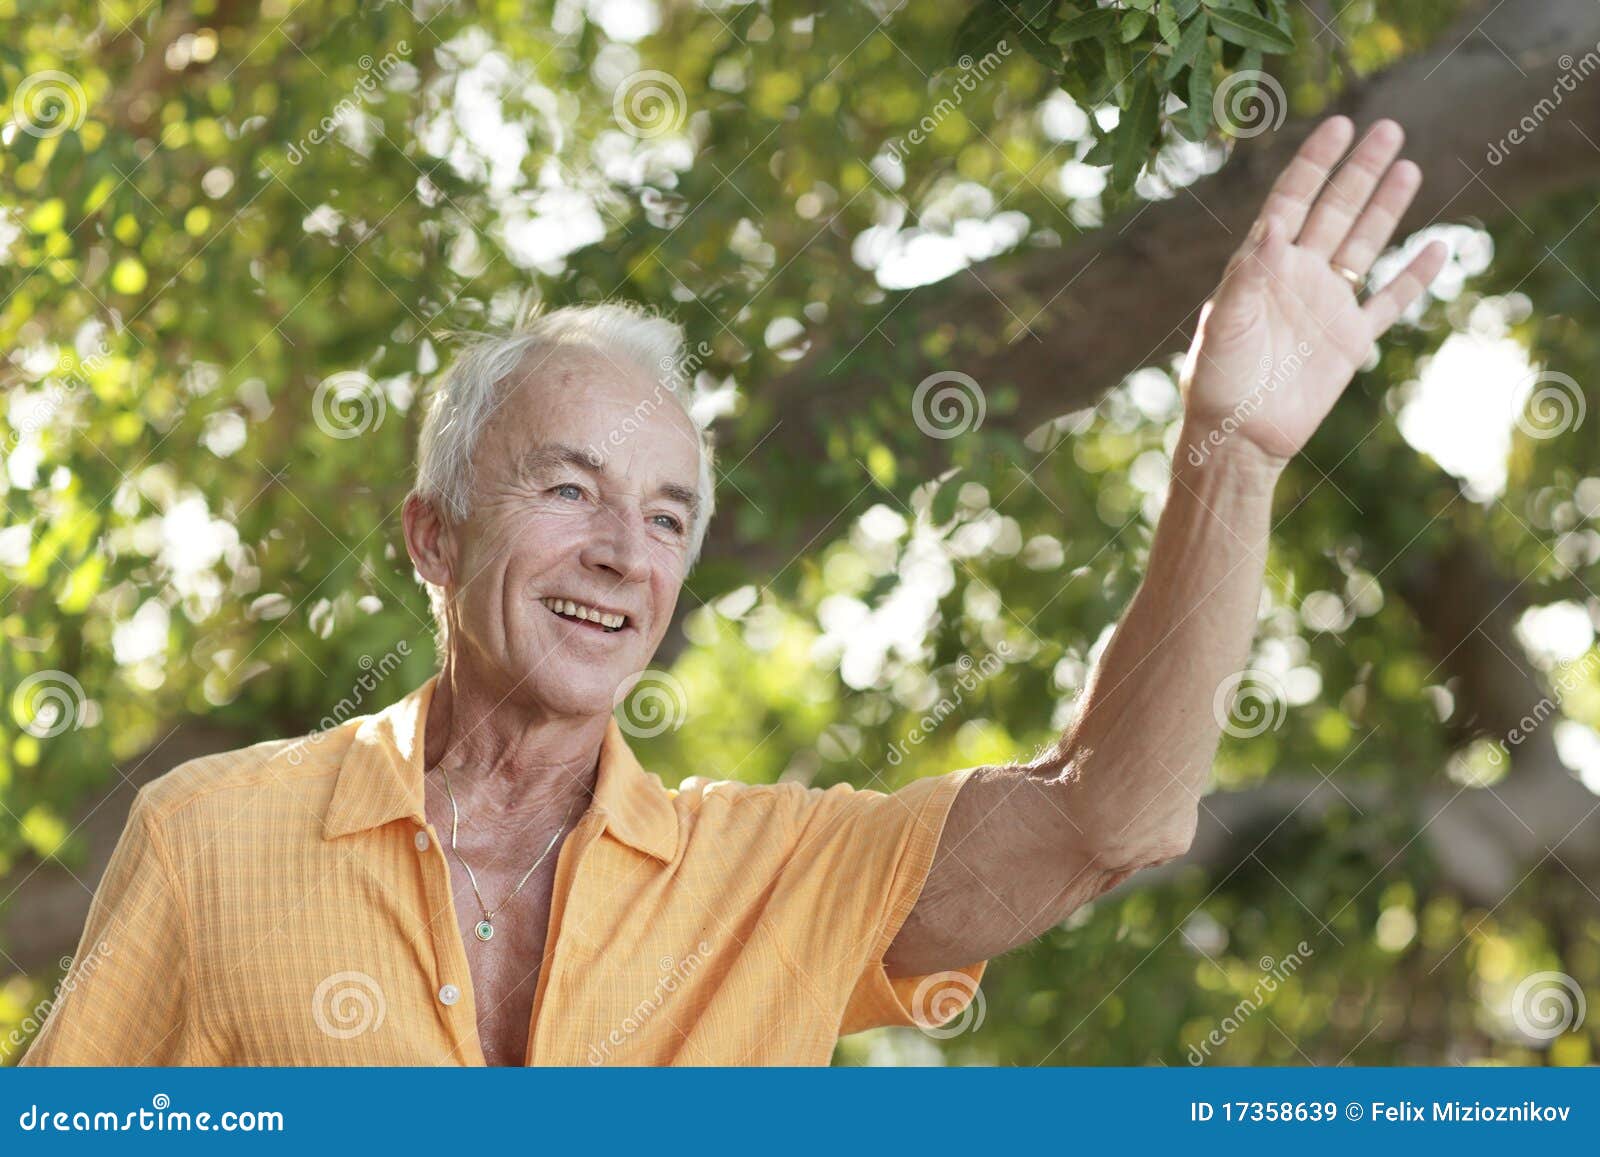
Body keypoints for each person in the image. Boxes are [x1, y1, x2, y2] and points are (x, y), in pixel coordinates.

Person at [21, 115, 1445, 1066]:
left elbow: (1112, 813)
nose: (620, 551)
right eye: (567, 487)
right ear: (433, 537)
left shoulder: (773, 878)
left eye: (667, 516)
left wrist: (1229, 452)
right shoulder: (210, 835)